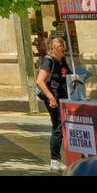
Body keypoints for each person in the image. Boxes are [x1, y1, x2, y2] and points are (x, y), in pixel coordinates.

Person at [35, 36, 72, 172]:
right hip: (54, 98)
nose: (62, 48)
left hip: (63, 96)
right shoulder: (48, 60)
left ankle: (66, 158)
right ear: (51, 48)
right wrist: (51, 98)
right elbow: (40, 81)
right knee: (57, 127)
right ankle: (54, 160)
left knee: (63, 127)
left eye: (63, 45)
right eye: (58, 46)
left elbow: (68, 75)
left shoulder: (62, 60)